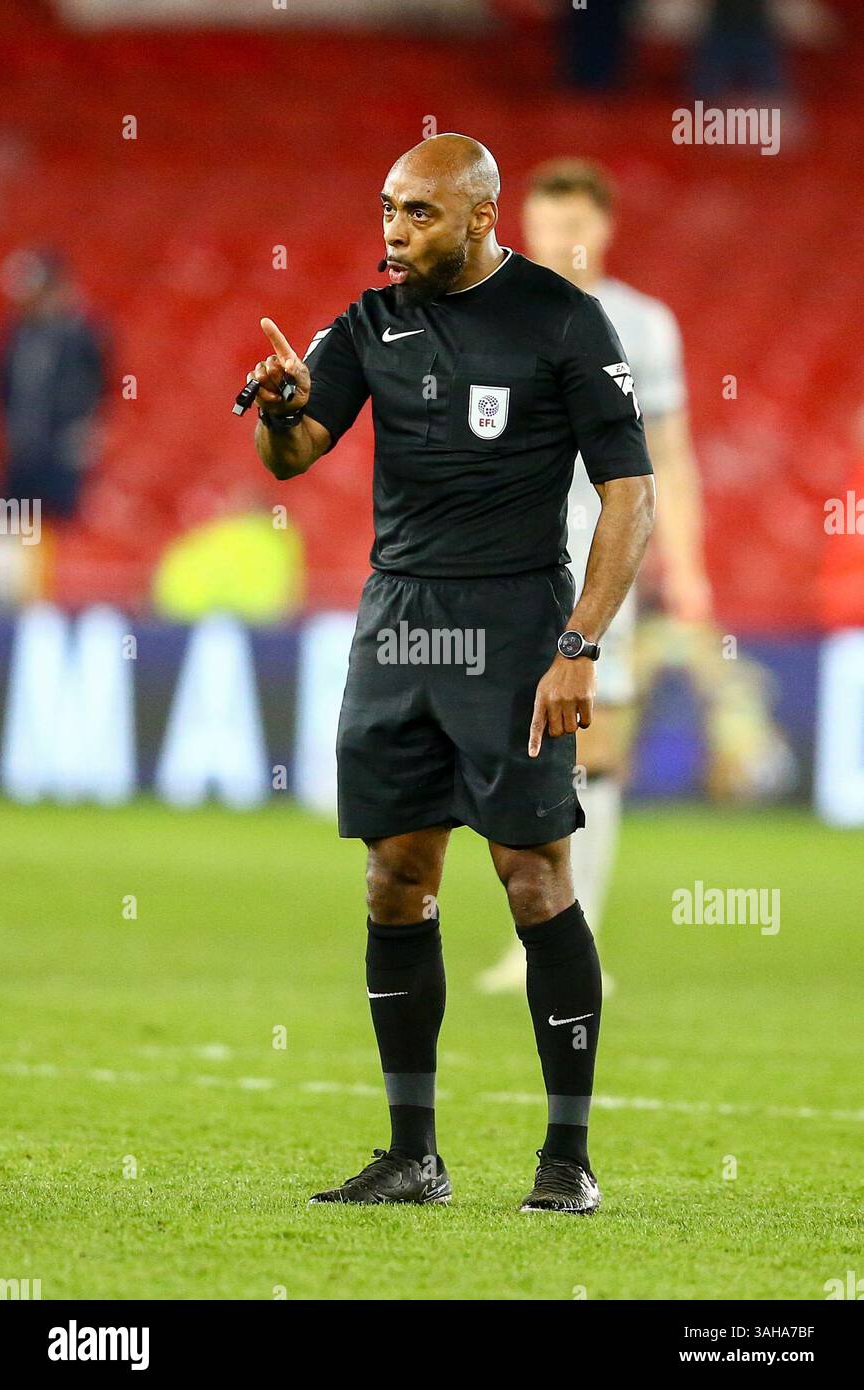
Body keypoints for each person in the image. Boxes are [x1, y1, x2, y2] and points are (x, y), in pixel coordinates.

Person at [248, 134, 655, 1214]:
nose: (392, 230)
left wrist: (578, 643)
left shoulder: (560, 319)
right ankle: (410, 1152)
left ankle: (565, 1157)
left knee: (532, 877)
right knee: (394, 876)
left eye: (417, 213)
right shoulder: (368, 322)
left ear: (479, 216)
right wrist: (286, 405)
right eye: (385, 208)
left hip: (516, 622)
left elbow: (628, 493)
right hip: (397, 627)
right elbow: (295, 453)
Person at [479, 158, 711, 994]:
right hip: (505, 563)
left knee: (593, 753)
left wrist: (687, 567)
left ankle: (576, 943)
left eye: (576, 225)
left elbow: (671, 458)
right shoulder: (491, 308)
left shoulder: (645, 324)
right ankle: (531, 935)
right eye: (547, 225)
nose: (561, 240)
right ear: (524, 226)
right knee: (511, 751)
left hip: (603, 560)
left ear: (604, 228)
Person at [0, 247, 107, 521]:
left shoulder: (84, 334)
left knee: (60, 526)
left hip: (64, 450)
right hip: (22, 449)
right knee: (16, 527)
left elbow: (122, 383)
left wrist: (97, 426)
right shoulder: (18, 334)